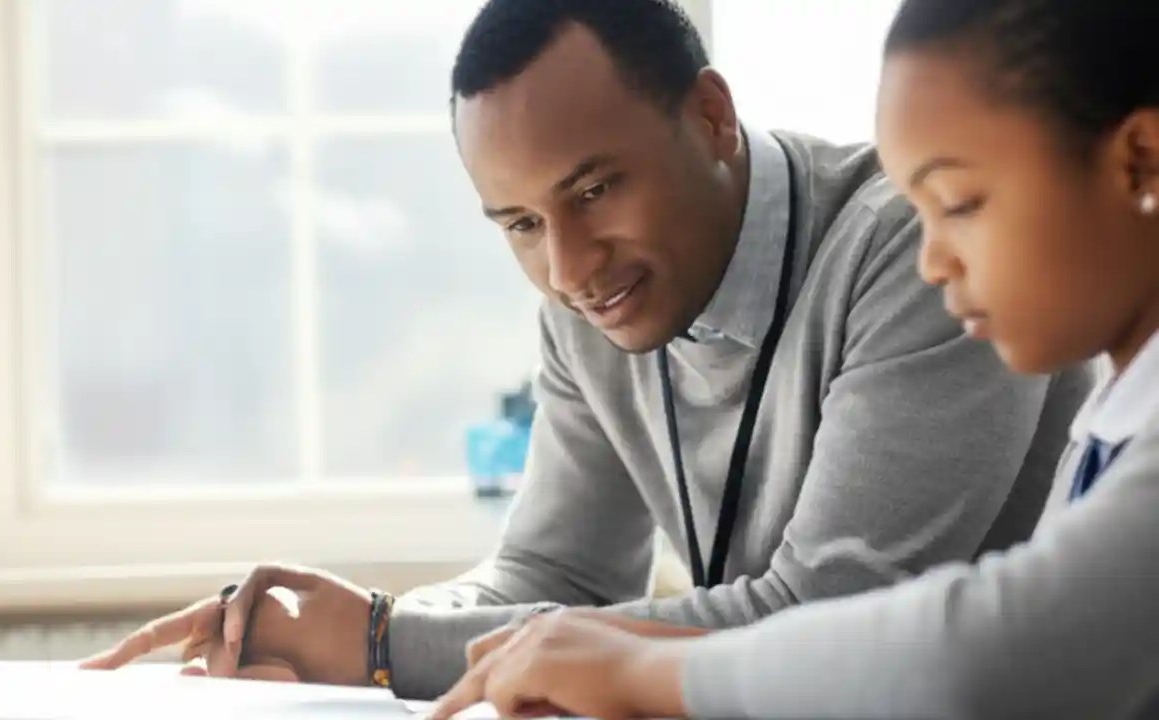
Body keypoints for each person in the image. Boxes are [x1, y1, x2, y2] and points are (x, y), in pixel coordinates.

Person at [81, 0, 1091, 700]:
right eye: (517, 224)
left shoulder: (921, 248)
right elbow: (554, 567)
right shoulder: (591, 299)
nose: (566, 267)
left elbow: (827, 622)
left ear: (710, 118)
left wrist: (390, 644)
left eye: (594, 189)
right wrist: (344, 634)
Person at [429, 0, 1159, 717]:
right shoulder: (1114, 420)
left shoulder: (885, 255)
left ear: (1141, 163)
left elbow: (983, 651)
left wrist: (644, 667)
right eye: (522, 224)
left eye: (960, 202)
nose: (934, 261)